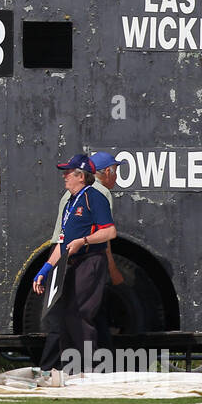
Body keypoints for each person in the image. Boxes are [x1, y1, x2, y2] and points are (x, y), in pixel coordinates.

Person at [33, 153, 117, 377]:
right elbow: (62, 243)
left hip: (90, 260)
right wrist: (44, 270)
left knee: (79, 313)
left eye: (68, 172)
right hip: (71, 261)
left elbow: (109, 231)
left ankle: (93, 369)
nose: (65, 176)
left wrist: (84, 241)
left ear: (81, 176)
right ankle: (70, 370)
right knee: (65, 316)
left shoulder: (94, 196)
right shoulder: (71, 201)